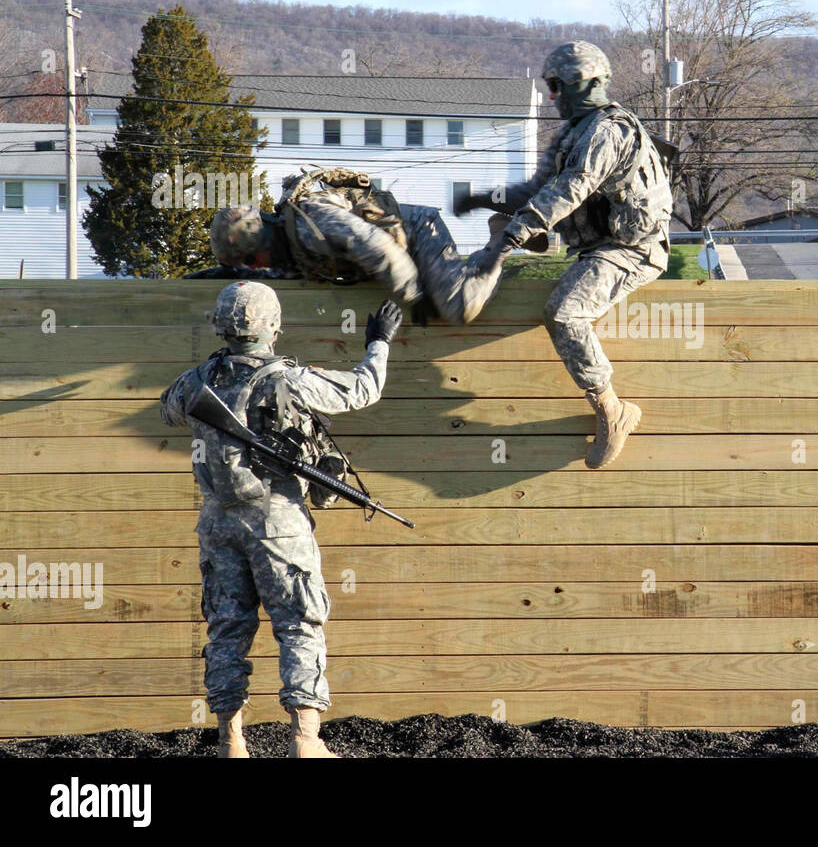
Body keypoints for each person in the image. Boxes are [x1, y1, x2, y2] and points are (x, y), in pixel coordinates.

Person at [160, 281, 403, 757]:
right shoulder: (289, 380)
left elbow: (169, 412)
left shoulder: (193, 384)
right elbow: (363, 390)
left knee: (226, 629)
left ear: (219, 325)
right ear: (273, 326)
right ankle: (306, 744)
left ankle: (232, 743)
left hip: (217, 523)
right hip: (278, 520)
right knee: (299, 624)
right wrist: (379, 340)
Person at [454, 40, 674, 468]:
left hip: (631, 250)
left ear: (581, 84)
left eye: (556, 86)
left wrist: (518, 232)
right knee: (510, 225)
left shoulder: (608, 132)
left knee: (565, 314)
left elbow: (571, 189)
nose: (552, 96)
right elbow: (540, 188)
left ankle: (612, 409)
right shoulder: (573, 132)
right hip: (600, 248)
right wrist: (485, 199)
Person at [203, 166, 502, 325]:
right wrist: (222, 278)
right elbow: (277, 280)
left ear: (262, 241)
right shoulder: (289, 248)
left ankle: (503, 238)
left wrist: (414, 295)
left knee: (459, 308)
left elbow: (377, 247)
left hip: (418, 233)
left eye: (252, 261)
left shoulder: (312, 222)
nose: (257, 267)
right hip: (397, 259)